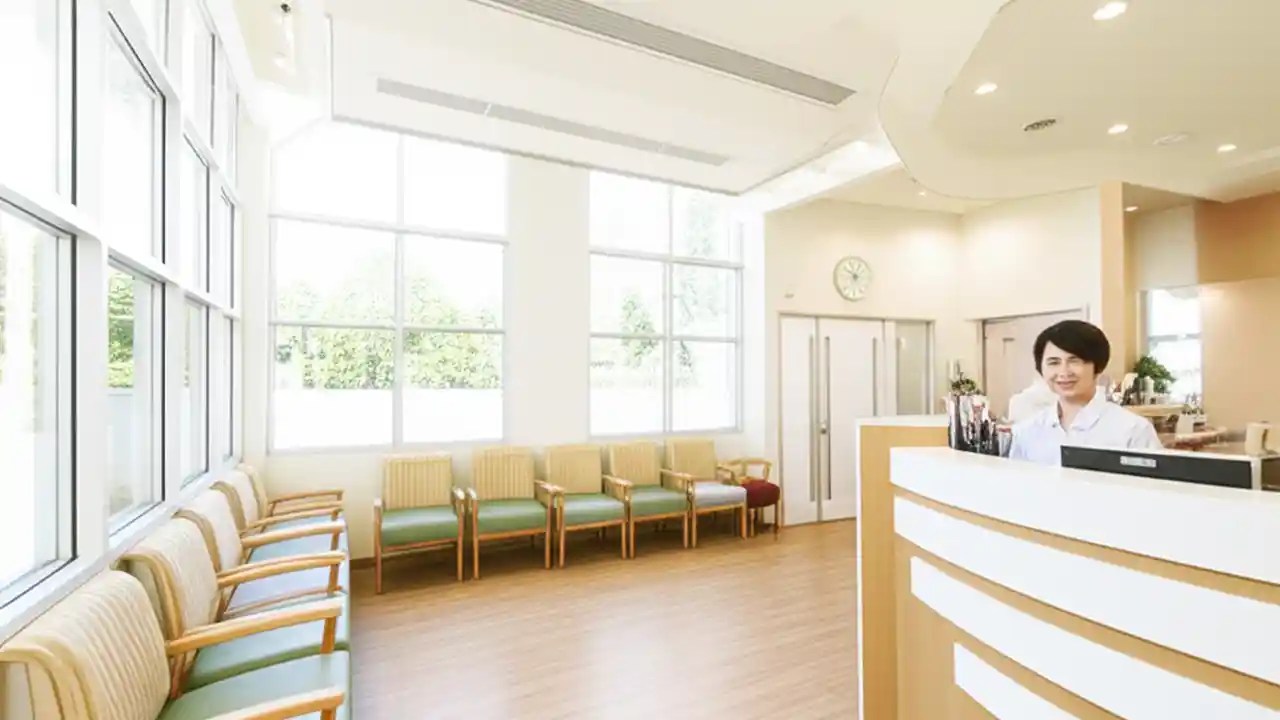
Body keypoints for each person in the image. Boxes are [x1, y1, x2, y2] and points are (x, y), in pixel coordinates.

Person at [1008, 320, 1162, 466]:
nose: (1063, 372)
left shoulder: (1133, 429)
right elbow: (1019, 486)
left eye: (1074, 361)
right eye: (1053, 362)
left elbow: (1155, 488)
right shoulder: (1027, 431)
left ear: (1097, 366)